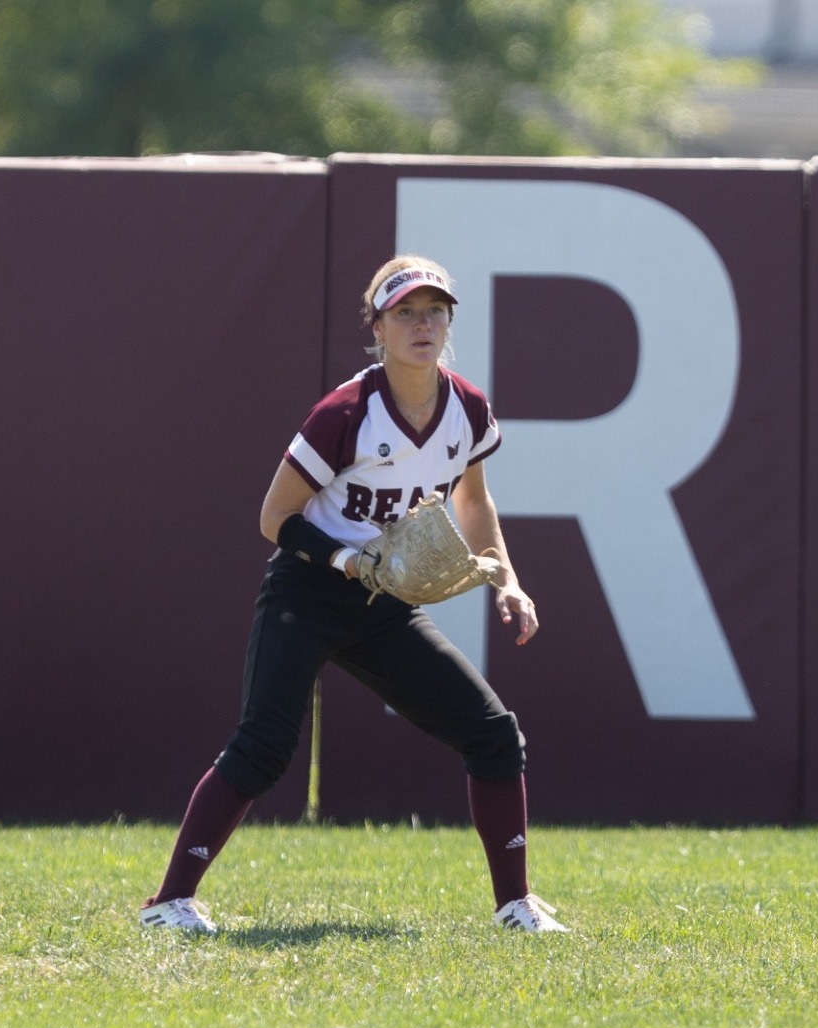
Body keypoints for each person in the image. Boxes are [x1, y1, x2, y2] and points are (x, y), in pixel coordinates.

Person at [138, 255, 568, 934]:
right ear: (379, 327)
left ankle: (514, 905)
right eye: (406, 312)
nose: (422, 324)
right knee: (263, 748)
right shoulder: (346, 411)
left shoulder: (466, 407)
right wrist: (343, 558)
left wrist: (506, 577)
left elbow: (474, 500)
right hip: (308, 590)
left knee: (492, 734)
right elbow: (273, 517)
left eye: (435, 311)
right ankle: (169, 903)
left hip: (384, 602)